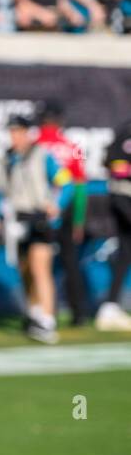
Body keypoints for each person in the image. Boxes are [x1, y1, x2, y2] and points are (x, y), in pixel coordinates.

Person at [0, 115, 73, 345]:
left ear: (27, 132)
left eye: (18, 132)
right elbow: (0, 192)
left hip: (39, 218)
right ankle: (34, 312)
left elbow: (66, 182)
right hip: (17, 218)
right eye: (11, 132)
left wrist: (57, 205)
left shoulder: (42, 155)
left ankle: (47, 319)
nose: (14, 137)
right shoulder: (7, 159)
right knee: (25, 268)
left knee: (39, 266)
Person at [35, 101, 91, 327]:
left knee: (39, 263)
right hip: (66, 209)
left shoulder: (36, 145)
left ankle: (43, 313)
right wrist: (78, 220)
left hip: (42, 208)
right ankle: (78, 314)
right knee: (70, 262)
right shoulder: (71, 146)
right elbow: (80, 187)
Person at [96, 116, 131, 331]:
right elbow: (114, 164)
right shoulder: (127, 132)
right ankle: (109, 307)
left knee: (126, 252)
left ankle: (110, 305)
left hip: (121, 197)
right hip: (124, 196)